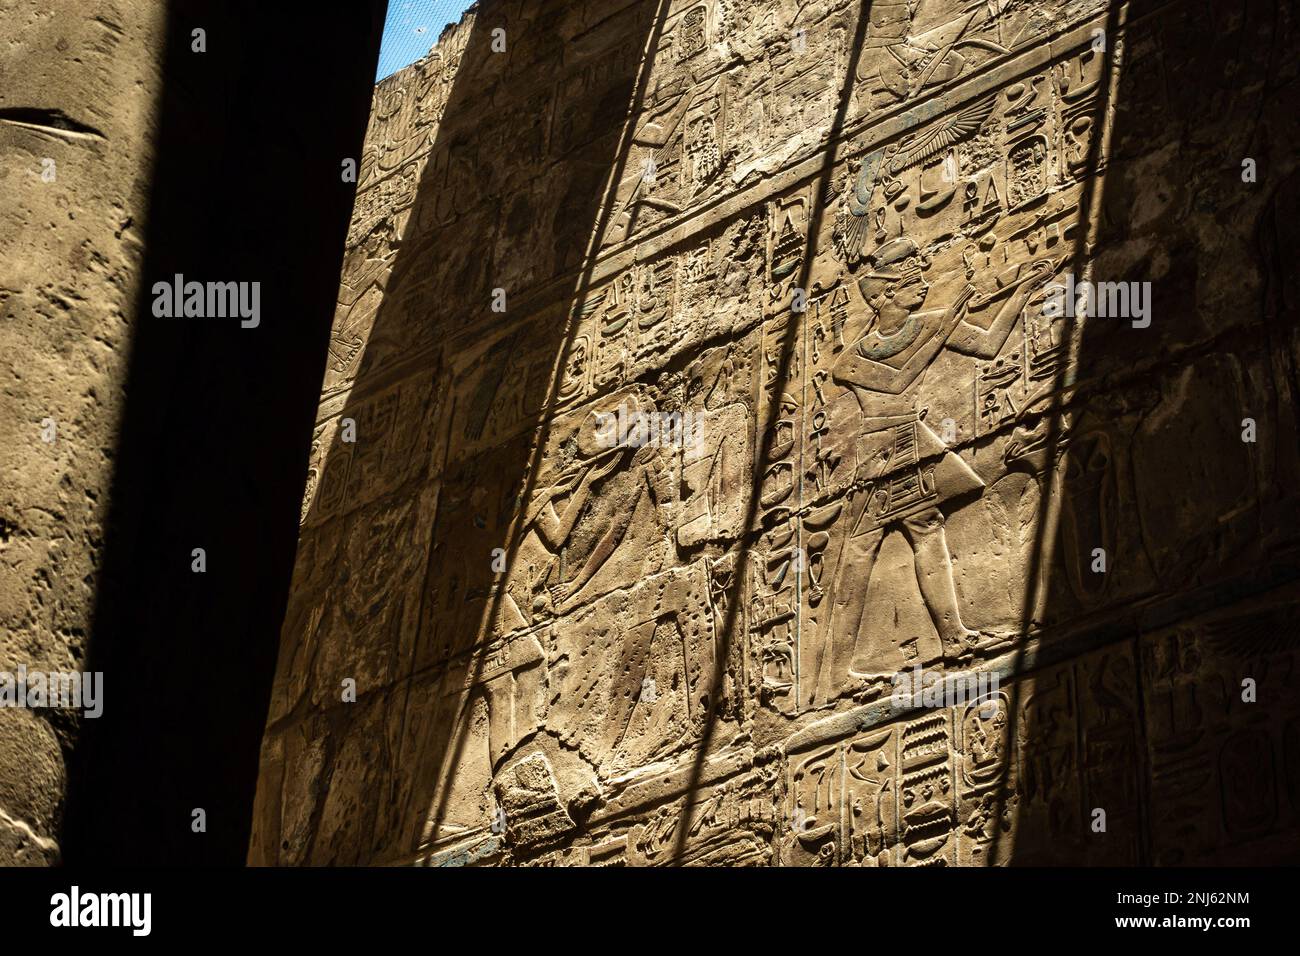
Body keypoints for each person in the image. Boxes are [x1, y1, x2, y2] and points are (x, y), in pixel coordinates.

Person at [812, 237, 1056, 705]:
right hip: (881, 454)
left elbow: (986, 345)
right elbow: (899, 379)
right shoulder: (852, 359)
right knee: (863, 555)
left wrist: (1022, 291)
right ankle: (838, 674)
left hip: (911, 443)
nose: (922, 286)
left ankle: (952, 640)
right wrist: (943, 327)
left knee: (926, 531)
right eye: (910, 283)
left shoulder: (927, 325)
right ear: (883, 295)